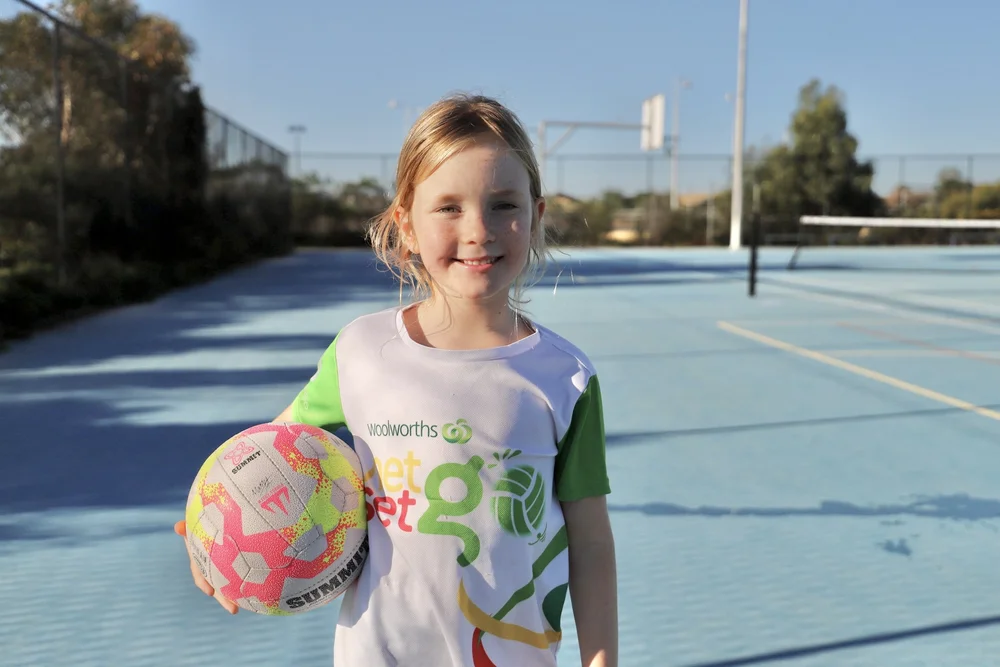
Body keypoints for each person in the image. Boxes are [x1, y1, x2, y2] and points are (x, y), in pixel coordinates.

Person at [174, 93, 618, 667]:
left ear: (534, 216)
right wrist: (208, 533)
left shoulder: (566, 379)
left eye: (503, 204)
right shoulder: (361, 352)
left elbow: (590, 541)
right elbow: (259, 461)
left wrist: (602, 658)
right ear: (405, 224)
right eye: (449, 207)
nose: (479, 230)